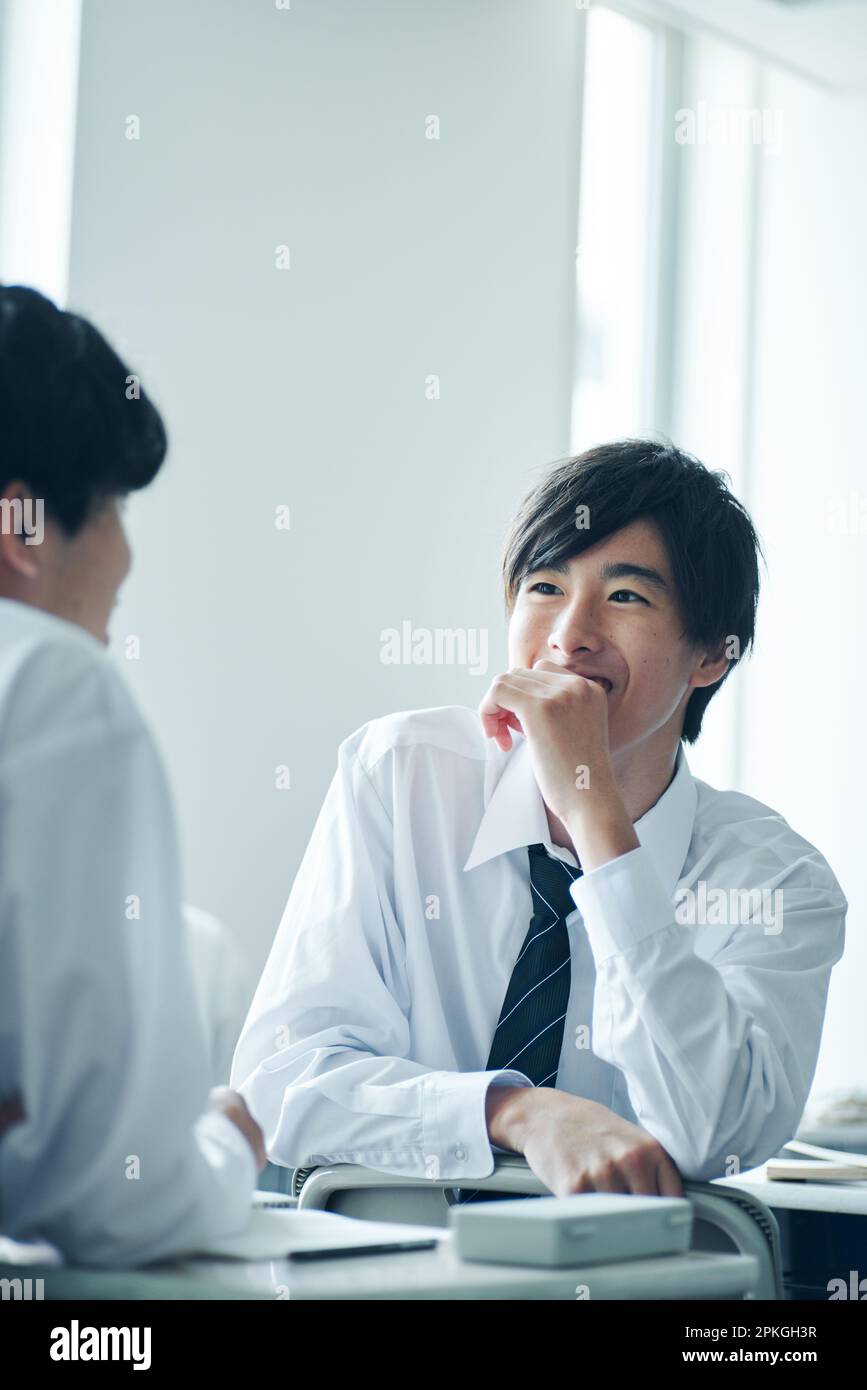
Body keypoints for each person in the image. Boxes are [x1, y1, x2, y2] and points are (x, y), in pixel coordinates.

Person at [231, 440, 846, 1199]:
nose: (569, 635)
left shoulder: (774, 876)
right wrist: (515, 1111)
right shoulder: (401, 774)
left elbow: (716, 1135)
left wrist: (598, 825)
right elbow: (280, 1081)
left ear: (710, 657)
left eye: (625, 597)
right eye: (546, 586)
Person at [0, 284, 265, 1267]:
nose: (126, 553)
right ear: (24, 529)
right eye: (112, 505)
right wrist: (227, 1143)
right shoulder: (47, 680)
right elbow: (115, 1199)